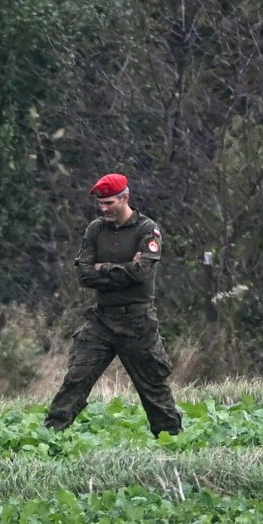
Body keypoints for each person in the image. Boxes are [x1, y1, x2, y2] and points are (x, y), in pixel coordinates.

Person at [45, 173, 183, 437]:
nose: (103, 208)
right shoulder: (95, 230)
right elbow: (84, 275)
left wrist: (103, 269)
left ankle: (172, 441)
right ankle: (50, 435)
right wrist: (124, 269)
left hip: (138, 322)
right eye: (101, 203)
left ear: (125, 198)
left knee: (153, 388)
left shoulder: (147, 230)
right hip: (102, 321)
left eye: (109, 203)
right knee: (76, 378)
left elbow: (142, 273)